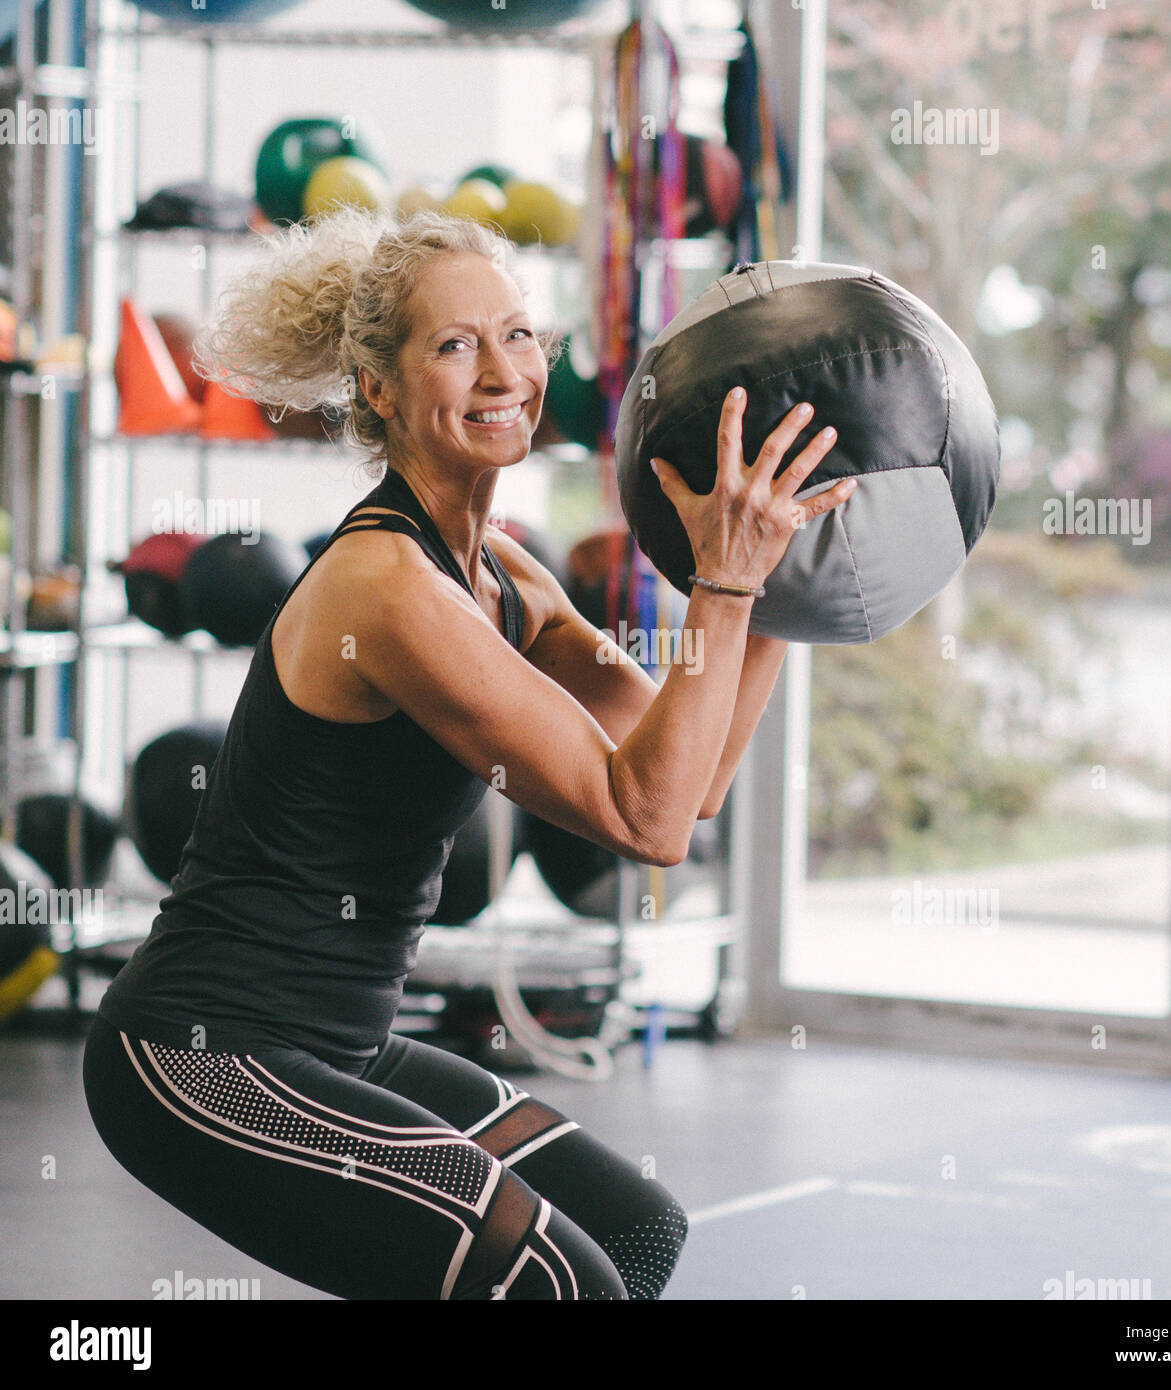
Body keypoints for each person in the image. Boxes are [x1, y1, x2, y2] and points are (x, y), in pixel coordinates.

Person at [82, 208, 855, 1300]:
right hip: (208, 1057)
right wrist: (723, 587)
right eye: (454, 346)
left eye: (519, 335)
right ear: (380, 388)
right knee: (551, 1280)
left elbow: (691, 776)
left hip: (345, 1047)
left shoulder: (500, 573)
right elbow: (644, 822)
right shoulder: (387, 589)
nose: (504, 372)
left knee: (634, 1232)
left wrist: (783, 590)